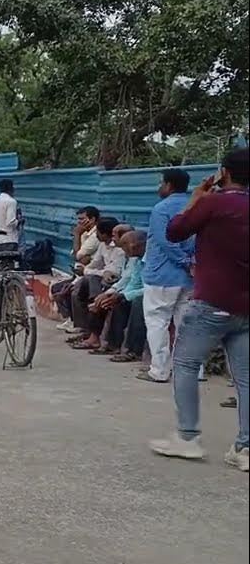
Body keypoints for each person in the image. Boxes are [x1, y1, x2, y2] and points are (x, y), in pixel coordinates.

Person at [150, 148, 249, 472]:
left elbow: (175, 231)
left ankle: (188, 437)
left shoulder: (213, 203)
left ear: (224, 172)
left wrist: (196, 197)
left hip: (212, 302)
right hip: (245, 307)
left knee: (185, 363)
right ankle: (245, 448)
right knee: (246, 377)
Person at [137, 169, 197, 382]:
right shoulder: (195, 205)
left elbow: (165, 241)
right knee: (186, 324)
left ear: (169, 185)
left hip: (162, 275)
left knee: (157, 322)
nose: (158, 187)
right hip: (188, 277)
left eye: (160, 182)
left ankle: (160, 370)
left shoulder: (161, 209)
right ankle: (192, 371)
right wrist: (191, 263)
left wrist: (184, 261)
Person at [70, 218, 123, 350]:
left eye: (98, 232)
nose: (96, 235)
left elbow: (114, 272)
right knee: (81, 287)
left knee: (92, 283)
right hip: (101, 281)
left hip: (114, 283)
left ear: (105, 234)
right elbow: (95, 264)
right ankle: (87, 329)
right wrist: (84, 269)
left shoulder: (120, 250)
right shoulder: (102, 245)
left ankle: (94, 336)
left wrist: (88, 271)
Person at [90, 230, 146, 356]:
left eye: (125, 246)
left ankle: (133, 351)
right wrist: (115, 295)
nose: (123, 250)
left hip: (154, 294)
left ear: (135, 245)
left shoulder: (150, 260)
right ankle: (112, 344)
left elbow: (151, 288)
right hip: (134, 291)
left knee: (137, 303)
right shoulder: (136, 260)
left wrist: (123, 295)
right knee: (116, 302)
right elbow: (131, 282)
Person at [0, 179, 20, 250]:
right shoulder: (11, 202)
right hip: (8, 240)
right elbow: (10, 222)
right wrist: (19, 221)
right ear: (11, 189)